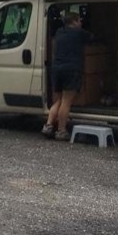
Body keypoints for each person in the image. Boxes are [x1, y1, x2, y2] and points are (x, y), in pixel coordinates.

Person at [42, 12, 93, 141]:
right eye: (79, 20)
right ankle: (61, 131)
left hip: (57, 69)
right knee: (66, 102)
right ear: (74, 22)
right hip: (71, 69)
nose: (81, 23)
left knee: (58, 100)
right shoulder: (79, 33)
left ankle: (48, 126)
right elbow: (92, 38)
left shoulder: (59, 32)